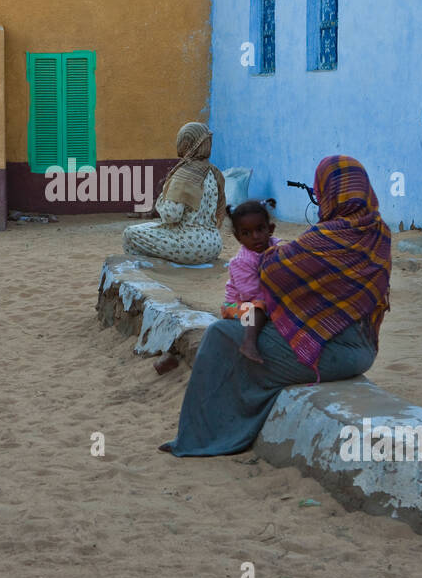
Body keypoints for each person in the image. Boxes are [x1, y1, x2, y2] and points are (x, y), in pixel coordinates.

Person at [159, 156, 390, 457]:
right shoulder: (379, 232)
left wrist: (268, 257)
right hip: (364, 351)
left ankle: (205, 436)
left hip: (330, 352)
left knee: (221, 336)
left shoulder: (327, 236)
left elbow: (275, 270)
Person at [122, 122, 226, 266]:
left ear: (186, 143)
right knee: (153, 228)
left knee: (130, 234)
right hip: (214, 244)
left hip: (191, 246)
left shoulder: (185, 173)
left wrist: (160, 204)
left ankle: (150, 274)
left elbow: (172, 216)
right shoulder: (213, 172)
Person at [221, 198, 280, 365]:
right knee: (259, 307)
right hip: (236, 307)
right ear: (238, 237)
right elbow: (249, 294)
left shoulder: (276, 246)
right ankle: (249, 343)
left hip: (263, 297)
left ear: (270, 229)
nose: (255, 237)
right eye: (246, 233)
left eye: (260, 229)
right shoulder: (241, 262)